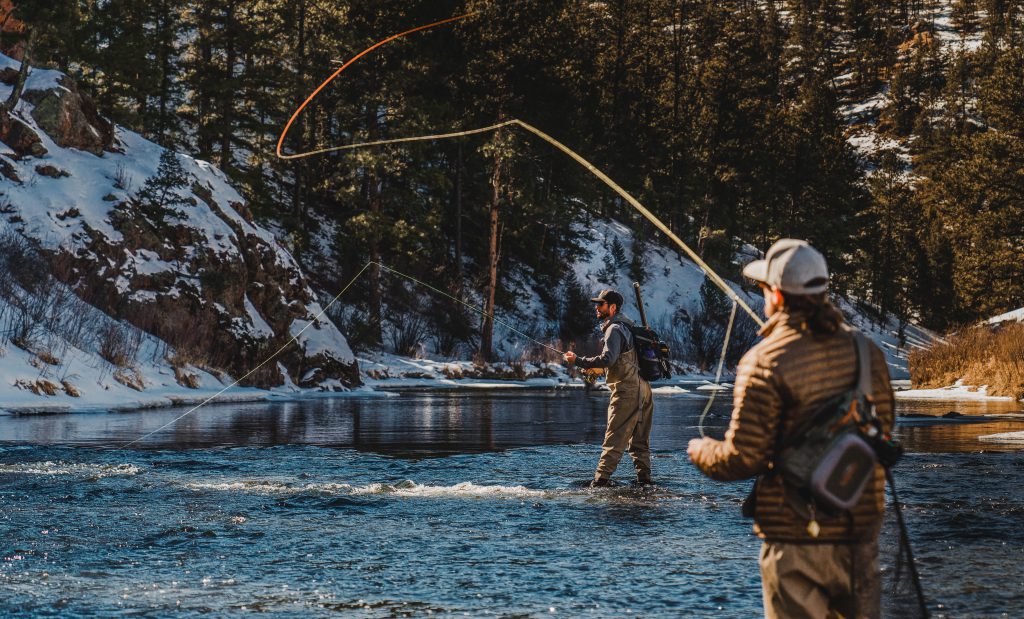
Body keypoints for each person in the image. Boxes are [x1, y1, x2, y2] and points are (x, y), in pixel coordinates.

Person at [686, 239, 894, 619]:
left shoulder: (764, 361)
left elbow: (743, 458)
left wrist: (701, 451)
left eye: (764, 288)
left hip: (795, 536)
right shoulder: (867, 352)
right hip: (860, 536)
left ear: (777, 295)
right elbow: (883, 433)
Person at [564, 289, 654, 487]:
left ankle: (599, 483)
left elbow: (608, 359)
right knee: (640, 444)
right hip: (644, 390)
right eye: (596, 304)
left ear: (612, 308)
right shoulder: (628, 327)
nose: (597, 308)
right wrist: (598, 369)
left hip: (627, 392)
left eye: (601, 304)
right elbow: (622, 361)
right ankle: (645, 483)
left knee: (613, 438)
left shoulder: (614, 329)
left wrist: (577, 360)